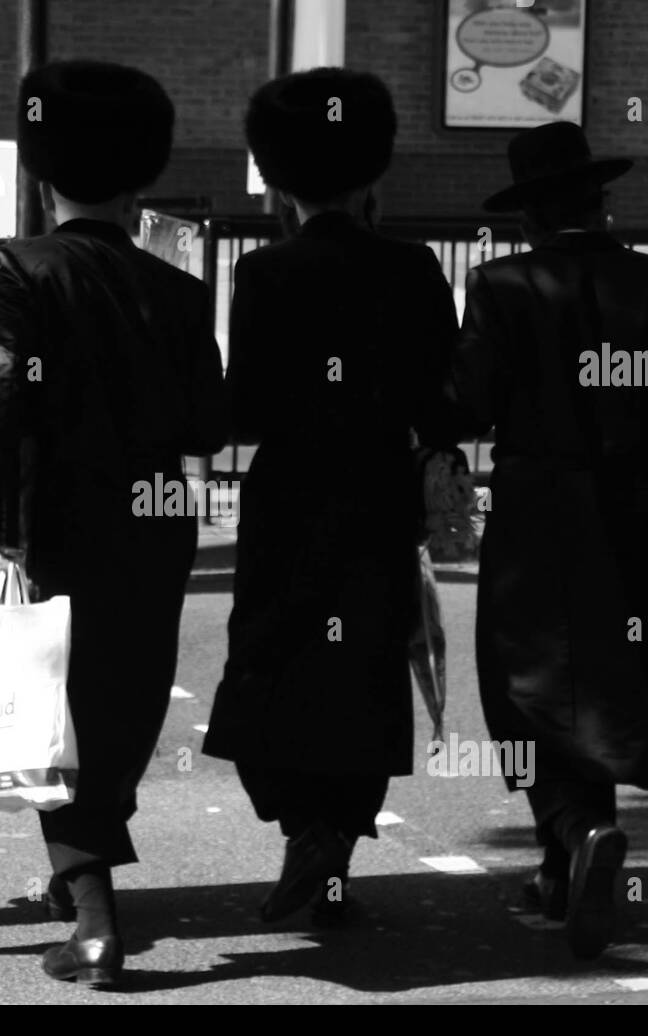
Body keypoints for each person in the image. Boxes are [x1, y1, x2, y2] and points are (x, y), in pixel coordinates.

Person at [449, 121, 648, 958]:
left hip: (537, 505)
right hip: (633, 510)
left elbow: (469, 405)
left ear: (528, 215)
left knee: (521, 686)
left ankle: (575, 831)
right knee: (608, 683)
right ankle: (567, 859)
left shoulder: (501, 285)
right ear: (600, 202)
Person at [0, 60, 227, 985]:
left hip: (61, 516)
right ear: (140, 182)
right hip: (159, 517)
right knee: (124, 697)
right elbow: (209, 425)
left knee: (57, 705)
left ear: (45, 178)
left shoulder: (21, 266)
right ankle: (82, 866)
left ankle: (91, 912)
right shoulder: (181, 290)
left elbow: (4, 396)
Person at [202, 68, 462, 926]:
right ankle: (334, 849)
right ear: (372, 171)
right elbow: (446, 401)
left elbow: (243, 409)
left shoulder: (265, 271)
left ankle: (305, 832)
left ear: (277, 177)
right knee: (362, 673)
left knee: (267, 668)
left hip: (290, 496)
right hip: (379, 493)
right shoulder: (415, 267)